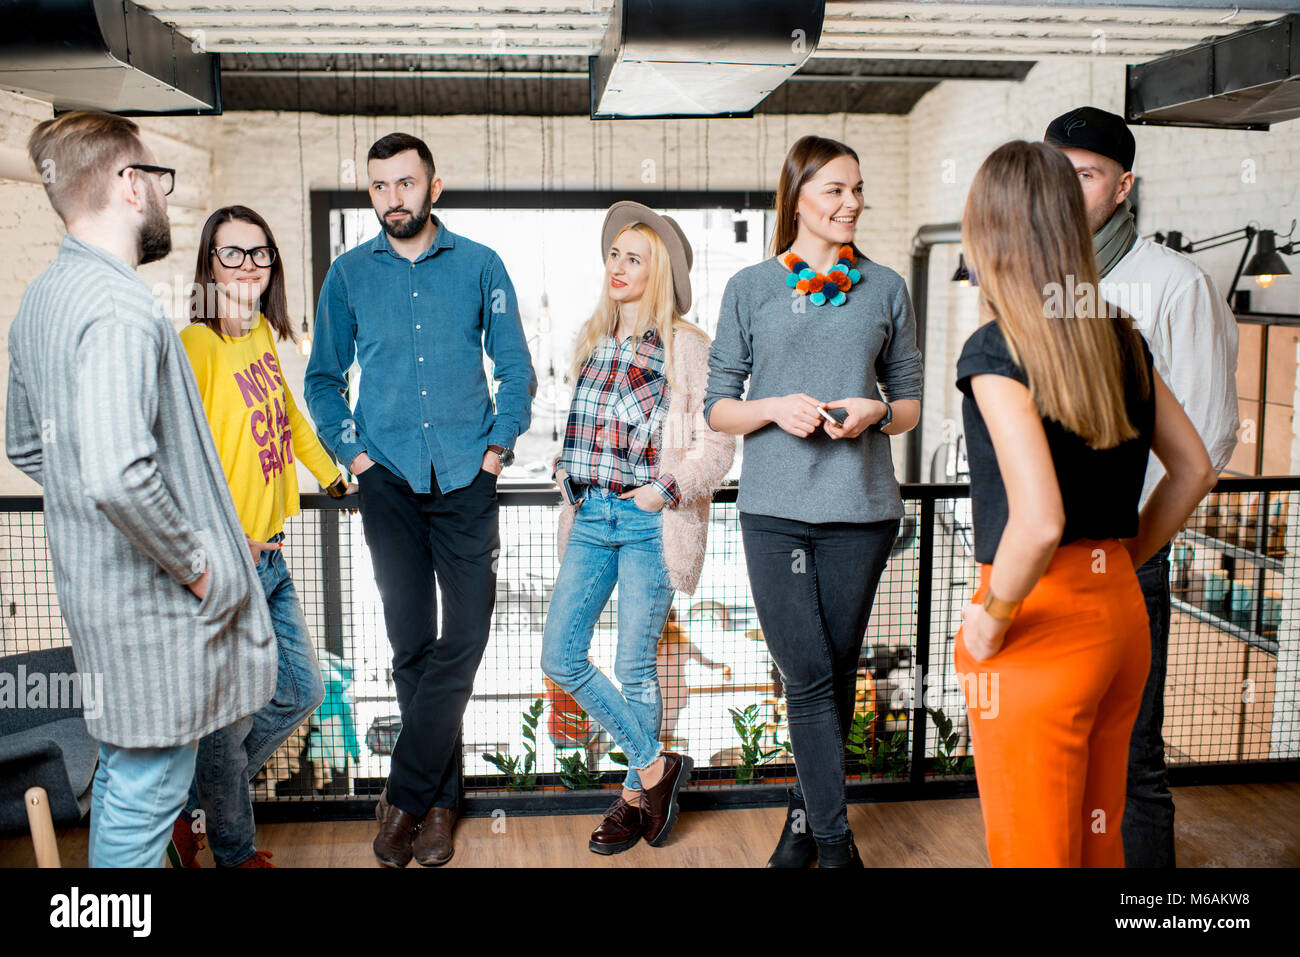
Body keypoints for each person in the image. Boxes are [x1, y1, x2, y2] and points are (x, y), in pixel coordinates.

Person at [8, 110, 276, 867]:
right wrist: (199, 565)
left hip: (102, 606)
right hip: (154, 617)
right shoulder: (122, 305)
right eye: (157, 177)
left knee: (135, 783)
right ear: (129, 185)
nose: (162, 194)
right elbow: (119, 472)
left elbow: (28, 444)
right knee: (144, 795)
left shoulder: (43, 300)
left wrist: (101, 518)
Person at [953, 139, 1218, 867]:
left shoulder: (996, 348)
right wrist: (1119, 562)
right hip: (1117, 617)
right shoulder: (1122, 337)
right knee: (1097, 843)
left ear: (990, 229)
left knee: (1035, 852)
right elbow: (1194, 469)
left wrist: (989, 618)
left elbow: (1039, 520)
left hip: (1035, 625)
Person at [305, 132, 536, 868]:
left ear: (435, 186)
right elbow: (321, 379)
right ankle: (440, 804)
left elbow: (517, 367)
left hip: (468, 477)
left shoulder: (479, 266)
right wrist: (358, 457)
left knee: (463, 637)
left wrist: (497, 450)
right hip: (389, 482)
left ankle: (402, 795)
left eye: (406, 183)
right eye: (379, 186)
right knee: (410, 643)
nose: (392, 198)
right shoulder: (347, 276)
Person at [705, 135, 923, 868]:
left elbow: (912, 402)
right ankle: (836, 846)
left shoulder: (886, 286)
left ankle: (802, 831)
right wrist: (769, 408)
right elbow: (717, 409)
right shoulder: (752, 287)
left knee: (829, 675)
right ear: (798, 196)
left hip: (861, 511)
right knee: (806, 674)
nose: (852, 202)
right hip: (773, 510)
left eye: (858, 188)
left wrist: (876, 412)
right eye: (835, 189)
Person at [1044, 106, 1240, 868]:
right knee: (1060, 748)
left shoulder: (1172, 282)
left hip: (1126, 555)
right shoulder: (1041, 280)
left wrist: (1133, 546)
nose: (1068, 190)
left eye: (1086, 175)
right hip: (1041, 555)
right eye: (1056, 174)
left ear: (1122, 186)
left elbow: (1210, 433)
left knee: (1132, 758)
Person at [541, 201, 735, 856]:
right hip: (592, 516)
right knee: (560, 654)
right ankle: (656, 766)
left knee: (634, 664)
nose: (618, 267)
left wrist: (663, 490)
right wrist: (566, 475)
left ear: (660, 274)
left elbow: (716, 447)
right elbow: (581, 436)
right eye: (615, 255)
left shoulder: (688, 348)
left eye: (635, 258)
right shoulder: (592, 341)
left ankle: (632, 800)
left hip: (650, 519)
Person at [168, 205, 348, 867]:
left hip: (269, 554)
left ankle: (190, 806)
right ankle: (233, 848)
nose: (248, 264)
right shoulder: (196, 345)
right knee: (228, 718)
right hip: (226, 558)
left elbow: (290, 420)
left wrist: (332, 476)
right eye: (231, 253)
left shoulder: (263, 339)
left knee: (299, 688)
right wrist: (220, 536)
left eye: (259, 253)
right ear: (209, 266)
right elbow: (177, 455)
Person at [658, 608, 731, 749]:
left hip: (655, 694)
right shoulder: (683, 642)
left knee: (656, 735)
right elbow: (707, 663)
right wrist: (724, 666)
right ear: (675, 618)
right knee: (667, 734)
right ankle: (669, 761)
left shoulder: (651, 643)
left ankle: (660, 764)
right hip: (676, 694)